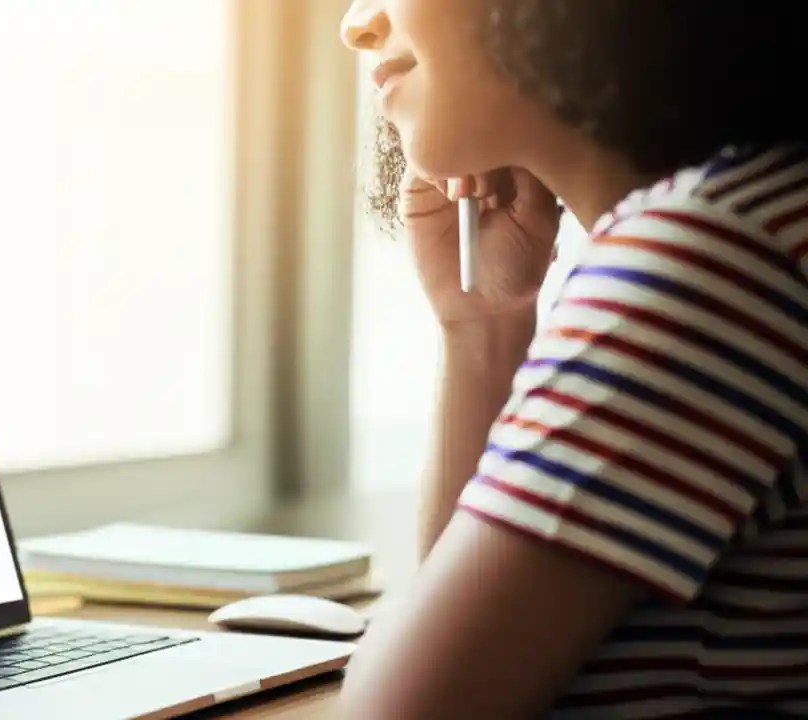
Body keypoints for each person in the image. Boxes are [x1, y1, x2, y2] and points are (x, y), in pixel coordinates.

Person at [338, 1, 808, 717]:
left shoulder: (710, 261)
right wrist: (482, 331)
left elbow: (400, 713)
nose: (357, 23)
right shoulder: (757, 218)